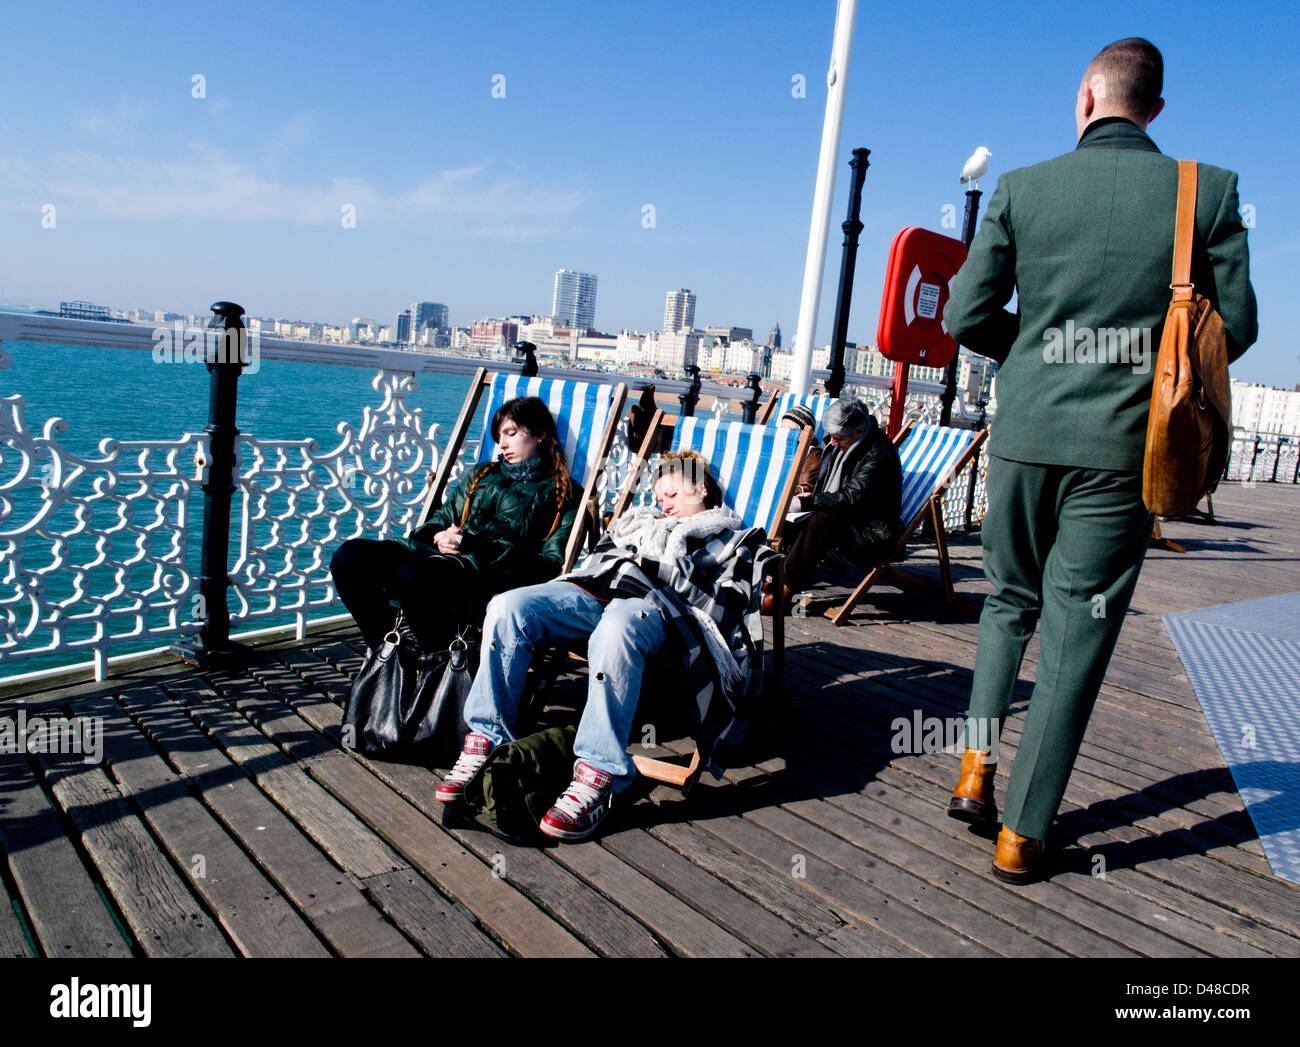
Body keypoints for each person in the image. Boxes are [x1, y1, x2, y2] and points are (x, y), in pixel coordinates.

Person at [943, 37, 1256, 883]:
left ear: (1086, 100)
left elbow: (966, 315)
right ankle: (1024, 833)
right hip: (1124, 453)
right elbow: (1237, 330)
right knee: (1077, 631)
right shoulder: (1209, 193)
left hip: (1022, 440)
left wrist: (1037, 355)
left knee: (1007, 602)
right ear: (1155, 110)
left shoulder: (1019, 187)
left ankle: (975, 765)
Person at [435, 450, 772, 841]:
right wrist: (629, 560)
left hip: (659, 613)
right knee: (508, 606)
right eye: (659, 496)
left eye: (674, 494)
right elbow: (598, 560)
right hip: (598, 591)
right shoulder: (639, 523)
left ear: (701, 488)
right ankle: (487, 737)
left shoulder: (731, 539)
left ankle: (601, 773)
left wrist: (648, 569)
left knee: (617, 625)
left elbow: (724, 607)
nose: (664, 504)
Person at [330, 396, 579, 653]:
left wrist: (471, 543)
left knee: (415, 575)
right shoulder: (483, 474)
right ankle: (387, 650)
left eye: (511, 433)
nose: (502, 444)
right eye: (498, 436)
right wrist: (439, 535)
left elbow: (549, 564)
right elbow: (441, 518)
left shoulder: (563, 492)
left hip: (485, 573)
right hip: (434, 556)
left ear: (539, 434)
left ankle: (436, 659)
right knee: (349, 557)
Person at [764, 397, 902, 614]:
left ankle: (785, 592)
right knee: (786, 519)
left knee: (820, 521)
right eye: (831, 436)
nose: (833, 442)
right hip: (848, 522)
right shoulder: (842, 442)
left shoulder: (880, 453)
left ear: (859, 432)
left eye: (838, 438)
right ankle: (769, 581)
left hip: (870, 536)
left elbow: (850, 497)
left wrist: (807, 501)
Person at [780, 403, 823, 496]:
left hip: (787, 498)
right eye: (782, 429)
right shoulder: (778, 448)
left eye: (791, 430)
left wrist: (777, 492)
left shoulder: (812, 453)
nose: (785, 434)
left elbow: (805, 487)